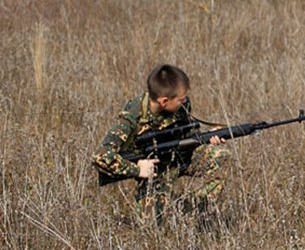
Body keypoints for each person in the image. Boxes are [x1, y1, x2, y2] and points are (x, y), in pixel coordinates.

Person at [92, 64, 227, 223]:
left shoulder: (181, 106)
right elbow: (100, 156)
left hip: (179, 157)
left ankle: (188, 209)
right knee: (150, 226)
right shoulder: (132, 116)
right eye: (180, 99)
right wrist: (137, 169)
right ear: (164, 101)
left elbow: (185, 132)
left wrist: (208, 136)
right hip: (154, 169)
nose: (184, 102)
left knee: (221, 157)